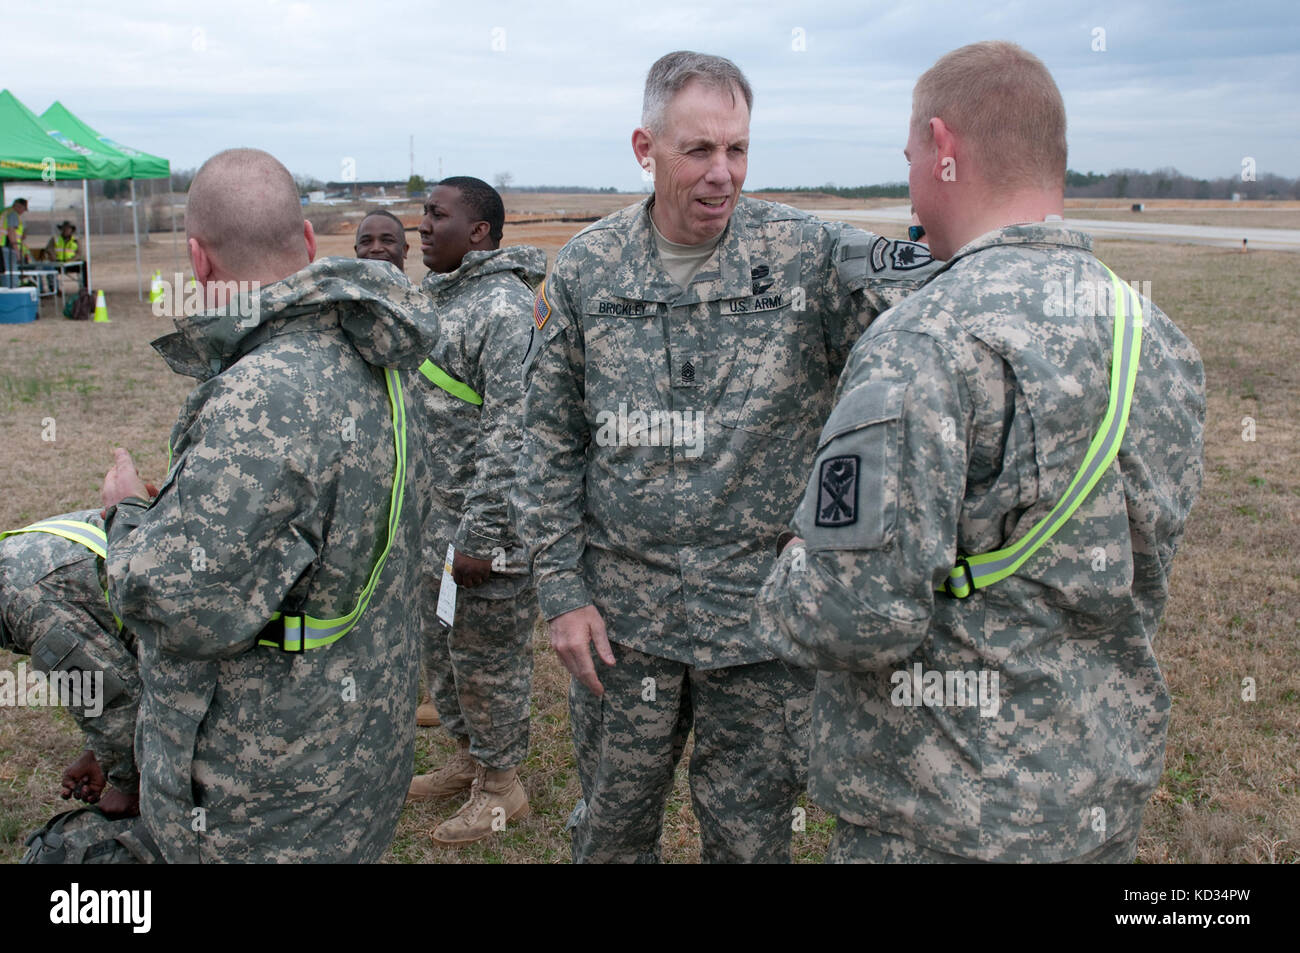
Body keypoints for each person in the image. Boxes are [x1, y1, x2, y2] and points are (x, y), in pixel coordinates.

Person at [753, 41, 1206, 863]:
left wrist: (790, 565)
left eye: (912, 157)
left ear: (944, 148)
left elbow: (857, 614)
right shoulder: (1157, 338)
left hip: (945, 812)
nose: (914, 178)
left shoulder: (922, 337)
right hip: (1096, 797)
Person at [516, 50, 937, 863]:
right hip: (621, 621)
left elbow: (926, 333)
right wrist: (562, 591)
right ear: (645, 149)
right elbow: (546, 438)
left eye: (738, 149)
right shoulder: (588, 268)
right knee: (609, 833)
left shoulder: (807, 253)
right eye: (698, 150)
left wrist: (834, 523)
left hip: (760, 622)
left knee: (751, 843)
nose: (723, 174)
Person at [97, 147, 443, 863]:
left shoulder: (263, 392)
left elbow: (181, 605)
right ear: (310, 242)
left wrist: (125, 513)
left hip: (265, 799)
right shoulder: (372, 355)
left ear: (199, 260)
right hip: (356, 757)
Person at [404, 177, 544, 846]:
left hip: (487, 533)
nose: (421, 227)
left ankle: (501, 787)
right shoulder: (445, 297)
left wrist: (482, 533)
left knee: (488, 657)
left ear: (480, 230)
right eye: (423, 214)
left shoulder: (504, 307)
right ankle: (469, 757)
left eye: (437, 215)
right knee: (448, 649)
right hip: (440, 525)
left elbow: (511, 432)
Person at [0, 509, 142, 817]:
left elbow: (115, 704)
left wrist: (128, 787)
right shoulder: (13, 560)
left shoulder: (28, 608)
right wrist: (99, 754)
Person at [43, 221, 85, 287]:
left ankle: (84, 288)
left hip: (72, 263)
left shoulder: (76, 240)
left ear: (71, 230)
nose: (66, 230)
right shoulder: (55, 239)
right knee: (49, 267)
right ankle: (54, 288)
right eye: (64, 228)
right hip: (57, 263)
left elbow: (79, 253)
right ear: (61, 229)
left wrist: (71, 260)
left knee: (84, 265)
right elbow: (49, 249)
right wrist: (53, 256)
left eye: (68, 228)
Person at [2, 197, 29, 288]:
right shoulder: (13, 214)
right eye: (23, 209)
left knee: (4, 271)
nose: (23, 212)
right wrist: (17, 251)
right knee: (11, 272)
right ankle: (12, 292)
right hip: (8, 247)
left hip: (3, 246)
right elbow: (11, 231)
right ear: (19, 206)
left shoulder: (5, 212)